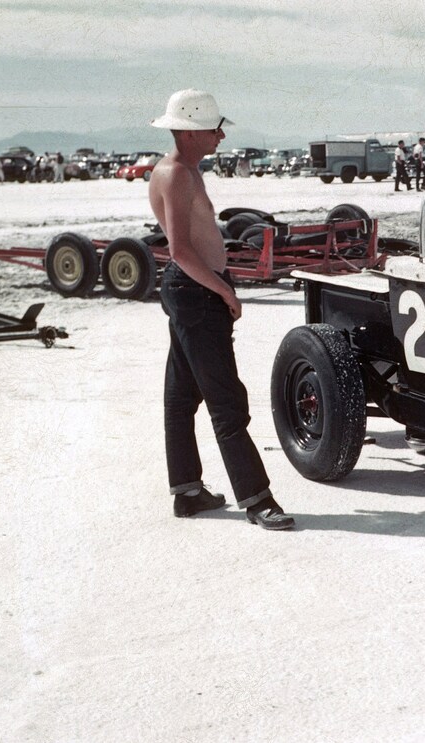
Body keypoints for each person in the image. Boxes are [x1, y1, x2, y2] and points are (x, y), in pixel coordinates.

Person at [148, 89, 294, 530]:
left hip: (190, 292)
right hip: (196, 292)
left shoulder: (184, 170)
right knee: (226, 401)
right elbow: (180, 251)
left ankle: (188, 492)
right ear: (192, 132)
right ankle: (258, 500)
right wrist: (225, 293)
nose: (222, 135)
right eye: (215, 128)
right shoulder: (176, 174)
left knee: (181, 395)